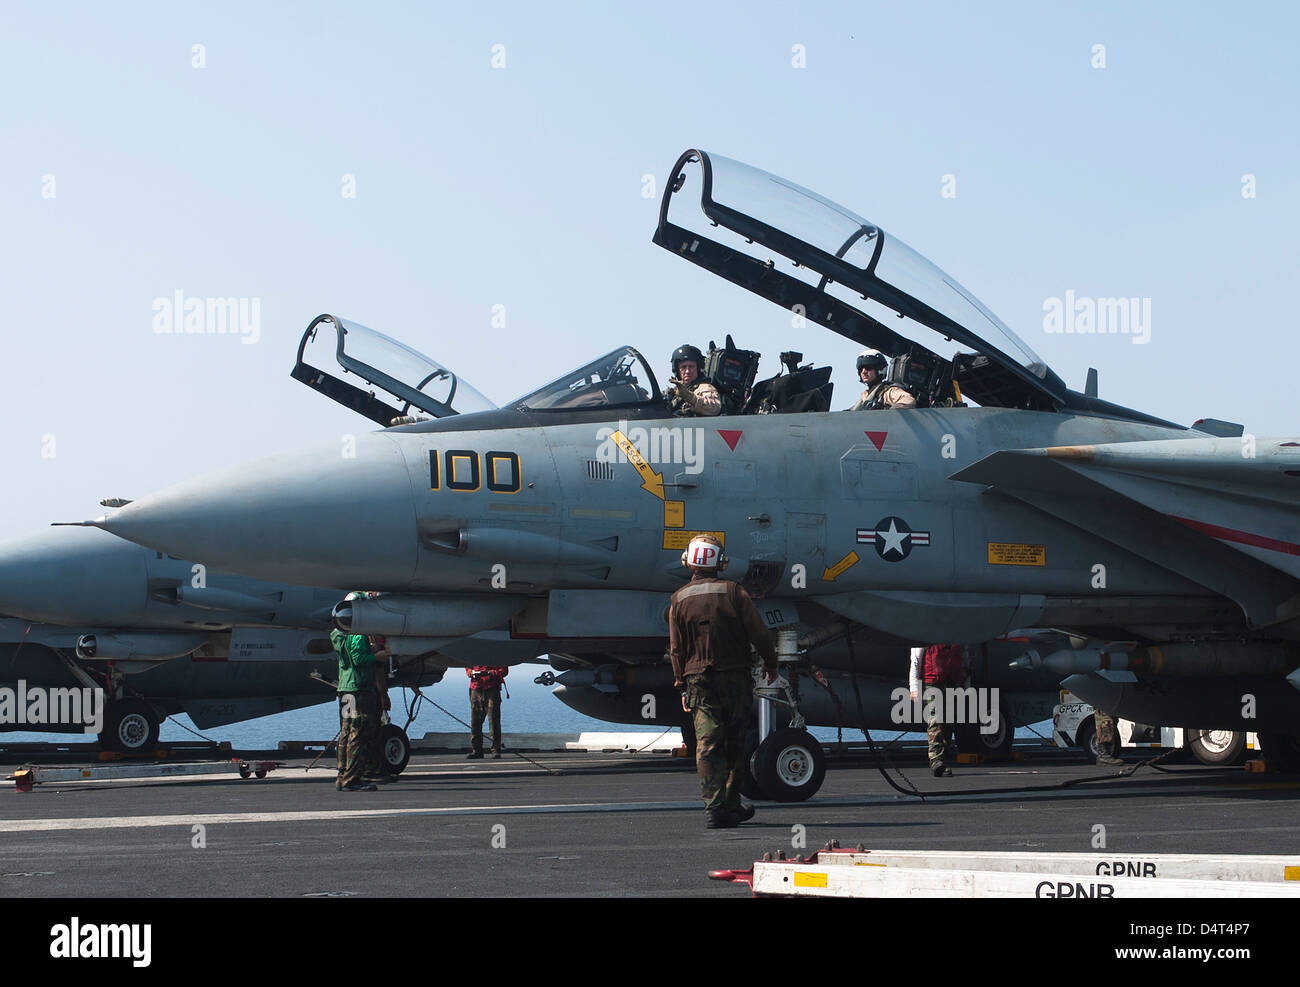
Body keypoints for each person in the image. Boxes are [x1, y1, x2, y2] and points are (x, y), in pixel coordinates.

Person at [668, 534, 778, 828]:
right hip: (735, 677)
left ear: (688, 561)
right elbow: (759, 633)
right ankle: (730, 803)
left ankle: (715, 808)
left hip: (697, 680)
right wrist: (771, 662)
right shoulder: (734, 592)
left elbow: (676, 649)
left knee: (707, 743)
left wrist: (680, 684)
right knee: (735, 741)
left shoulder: (677, 599)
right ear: (720, 562)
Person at [331, 592, 390, 791]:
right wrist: (378, 656)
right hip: (359, 689)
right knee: (358, 733)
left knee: (346, 732)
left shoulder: (337, 633)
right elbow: (358, 659)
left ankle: (342, 775)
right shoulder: (357, 633)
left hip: (345, 688)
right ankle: (352, 779)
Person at [909, 643, 966, 777]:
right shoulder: (926, 634)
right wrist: (914, 687)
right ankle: (936, 760)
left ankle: (942, 757)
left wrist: (964, 683)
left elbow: (964, 659)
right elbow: (916, 660)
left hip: (952, 683)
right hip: (932, 683)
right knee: (935, 720)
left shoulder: (957, 635)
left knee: (949, 723)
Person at [666, 344, 722, 417]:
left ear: (698, 368)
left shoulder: (704, 388)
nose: (687, 371)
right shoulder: (676, 391)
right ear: (677, 370)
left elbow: (714, 408)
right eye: (683, 367)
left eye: (691, 366)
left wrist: (690, 397)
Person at [851, 349, 916, 410]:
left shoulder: (887, 392)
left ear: (880, 369)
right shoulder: (864, 398)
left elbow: (908, 400)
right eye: (861, 369)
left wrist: (889, 414)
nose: (863, 372)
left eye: (868, 368)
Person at [466, 665, 508, 759]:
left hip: (491, 688)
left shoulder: (498, 652)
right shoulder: (472, 652)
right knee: (475, 722)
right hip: (476, 689)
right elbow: (467, 667)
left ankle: (495, 750)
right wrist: (471, 672)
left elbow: (503, 670)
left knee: (494, 721)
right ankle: (477, 750)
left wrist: (491, 673)